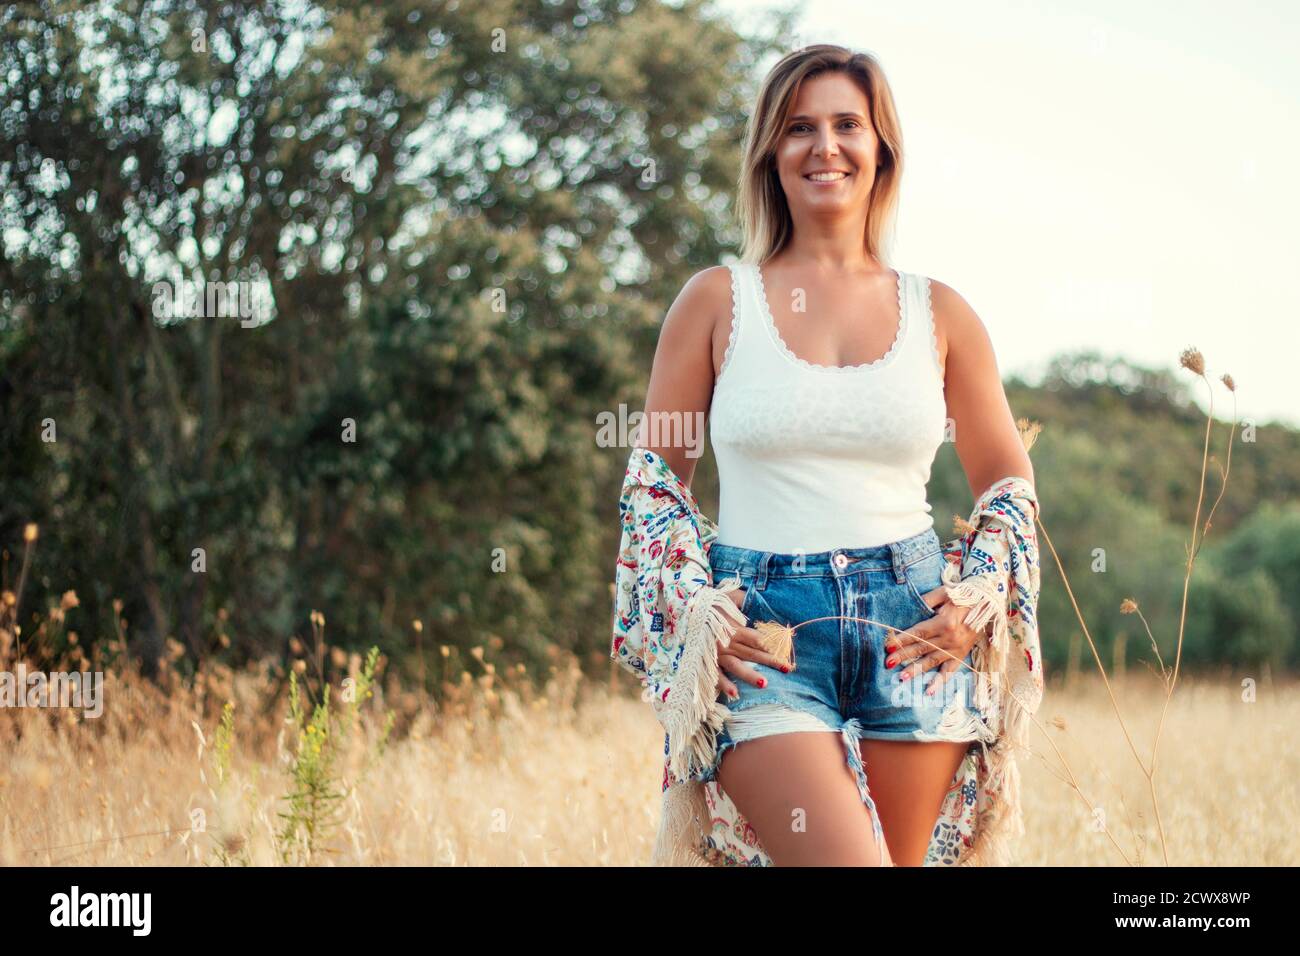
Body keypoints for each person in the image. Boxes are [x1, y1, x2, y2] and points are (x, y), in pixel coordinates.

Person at [631, 44, 1037, 866]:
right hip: (767, 631)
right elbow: (655, 486)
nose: (825, 147)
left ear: (881, 146)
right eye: (798, 128)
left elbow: (1005, 480)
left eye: (847, 124)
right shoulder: (715, 300)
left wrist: (975, 598)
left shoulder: (942, 312)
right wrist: (702, 611)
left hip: (913, 625)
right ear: (769, 154)